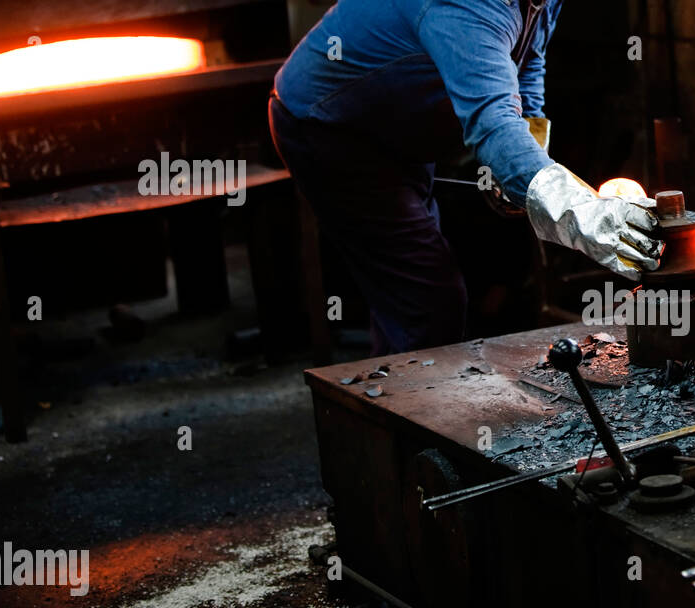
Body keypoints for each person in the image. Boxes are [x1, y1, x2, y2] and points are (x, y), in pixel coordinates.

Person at [270, 0, 662, 355]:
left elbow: (528, 61)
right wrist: (578, 210)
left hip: (394, 125)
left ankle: (388, 389)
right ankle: (404, 421)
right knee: (427, 297)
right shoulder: (464, 4)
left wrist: (529, 152)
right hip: (331, 128)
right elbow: (493, 124)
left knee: (406, 292)